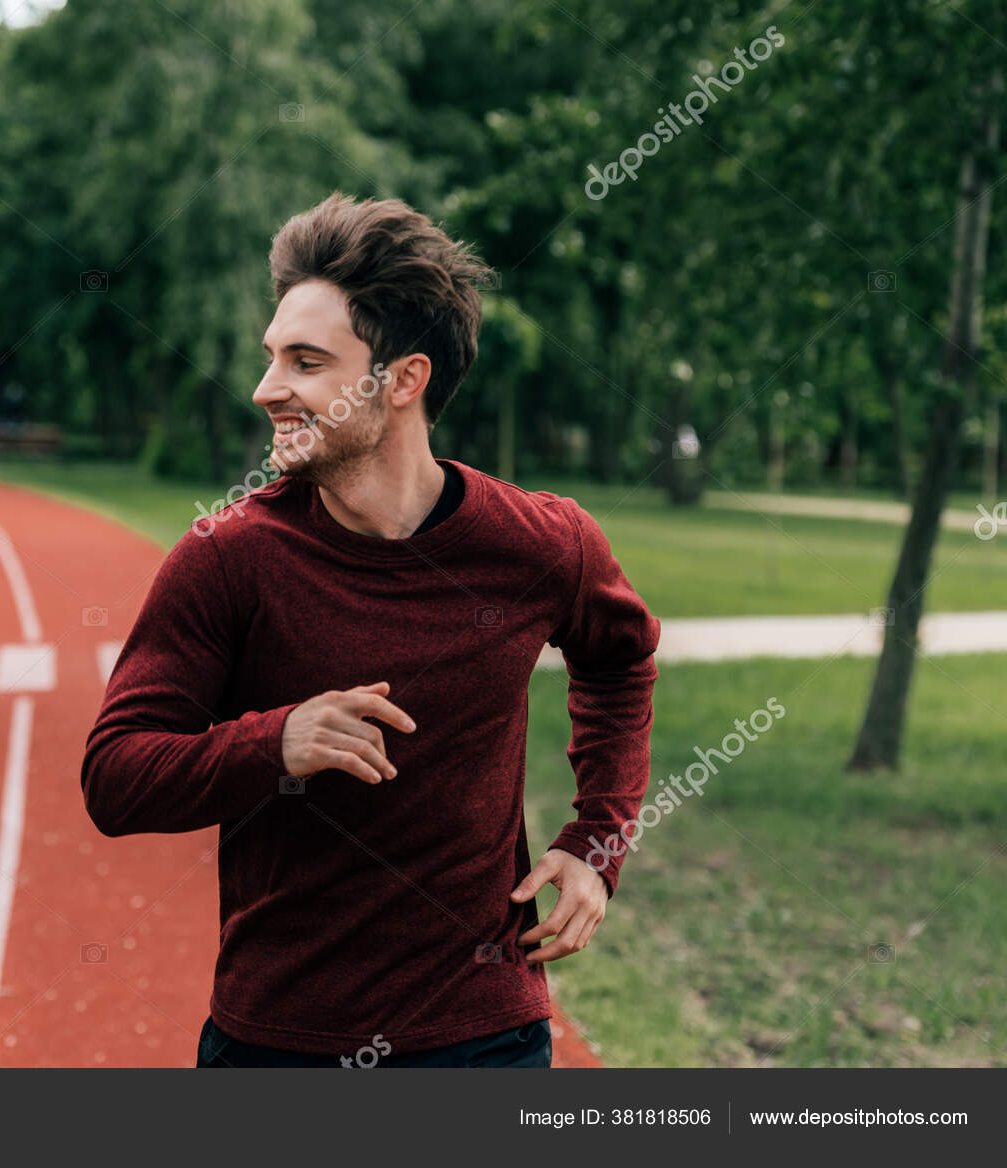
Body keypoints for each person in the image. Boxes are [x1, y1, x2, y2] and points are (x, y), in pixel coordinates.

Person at [81, 194, 660, 1069]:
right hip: (275, 1040)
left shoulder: (542, 546)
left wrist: (597, 840)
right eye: (272, 357)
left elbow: (622, 660)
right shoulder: (228, 559)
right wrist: (277, 741)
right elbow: (115, 777)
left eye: (306, 362)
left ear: (402, 380)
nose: (266, 388)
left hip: (483, 1036)